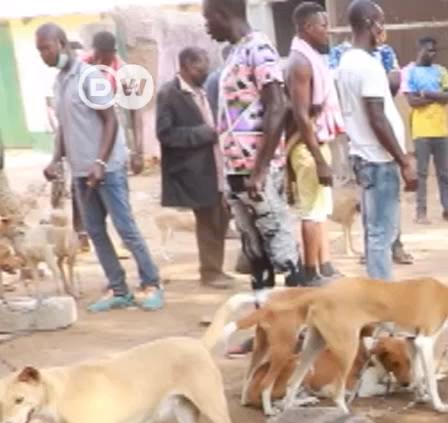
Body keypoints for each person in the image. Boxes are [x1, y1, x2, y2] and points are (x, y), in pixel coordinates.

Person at [37, 23, 164, 312]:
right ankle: (118, 289)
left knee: (125, 229)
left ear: (61, 43)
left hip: (107, 169)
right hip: (81, 171)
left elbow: (110, 120)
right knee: (95, 231)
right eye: (39, 50)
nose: (43, 55)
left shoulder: (90, 77)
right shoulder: (60, 82)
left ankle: (152, 283)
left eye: (46, 48)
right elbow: (64, 128)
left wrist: (101, 162)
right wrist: (55, 159)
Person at [203, 0, 304, 292]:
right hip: (237, 171)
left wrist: (259, 170)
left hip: (258, 172)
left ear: (223, 14)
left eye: (208, 19)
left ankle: (301, 313)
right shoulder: (235, 53)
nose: (207, 26)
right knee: (254, 252)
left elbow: (278, 106)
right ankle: (264, 314)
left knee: (282, 251)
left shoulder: (258, 48)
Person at [336, 0, 415, 281]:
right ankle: (382, 298)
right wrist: (404, 161)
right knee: (382, 234)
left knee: (374, 233)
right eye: (381, 21)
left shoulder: (346, 62)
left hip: (363, 155)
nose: (384, 28)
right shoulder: (367, 65)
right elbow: (376, 118)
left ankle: (375, 292)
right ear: (370, 23)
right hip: (379, 160)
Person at [155, 46, 234, 289]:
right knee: (208, 220)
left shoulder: (203, 91)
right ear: (186, 66)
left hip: (214, 164)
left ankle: (216, 269)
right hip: (193, 169)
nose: (205, 71)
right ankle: (210, 273)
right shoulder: (169, 94)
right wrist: (202, 134)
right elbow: (165, 134)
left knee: (220, 218)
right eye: (200, 67)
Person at [286, 1, 344, 286]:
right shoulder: (300, 62)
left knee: (321, 210)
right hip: (308, 149)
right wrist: (319, 160)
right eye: (323, 26)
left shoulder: (312, 57)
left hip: (317, 144)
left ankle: (325, 266)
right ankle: (310, 273)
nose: (327, 31)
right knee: (311, 212)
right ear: (308, 28)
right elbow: (300, 115)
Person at [405, 36, 448, 225]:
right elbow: (412, 101)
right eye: (429, 50)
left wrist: (427, 93)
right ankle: (420, 213)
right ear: (420, 50)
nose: (432, 54)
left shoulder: (441, 71)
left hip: (441, 130)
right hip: (421, 131)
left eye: (434, 51)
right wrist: (439, 96)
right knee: (421, 175)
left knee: (444, 174)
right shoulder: (410, 72)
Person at [85, 31, 143, 177]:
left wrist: (138, 152)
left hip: (113, 134)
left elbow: (136, 110)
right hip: (87, 138)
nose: (99, 61)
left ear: (113, 53)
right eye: (97, 55)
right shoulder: (83, 65)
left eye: (104, 57)